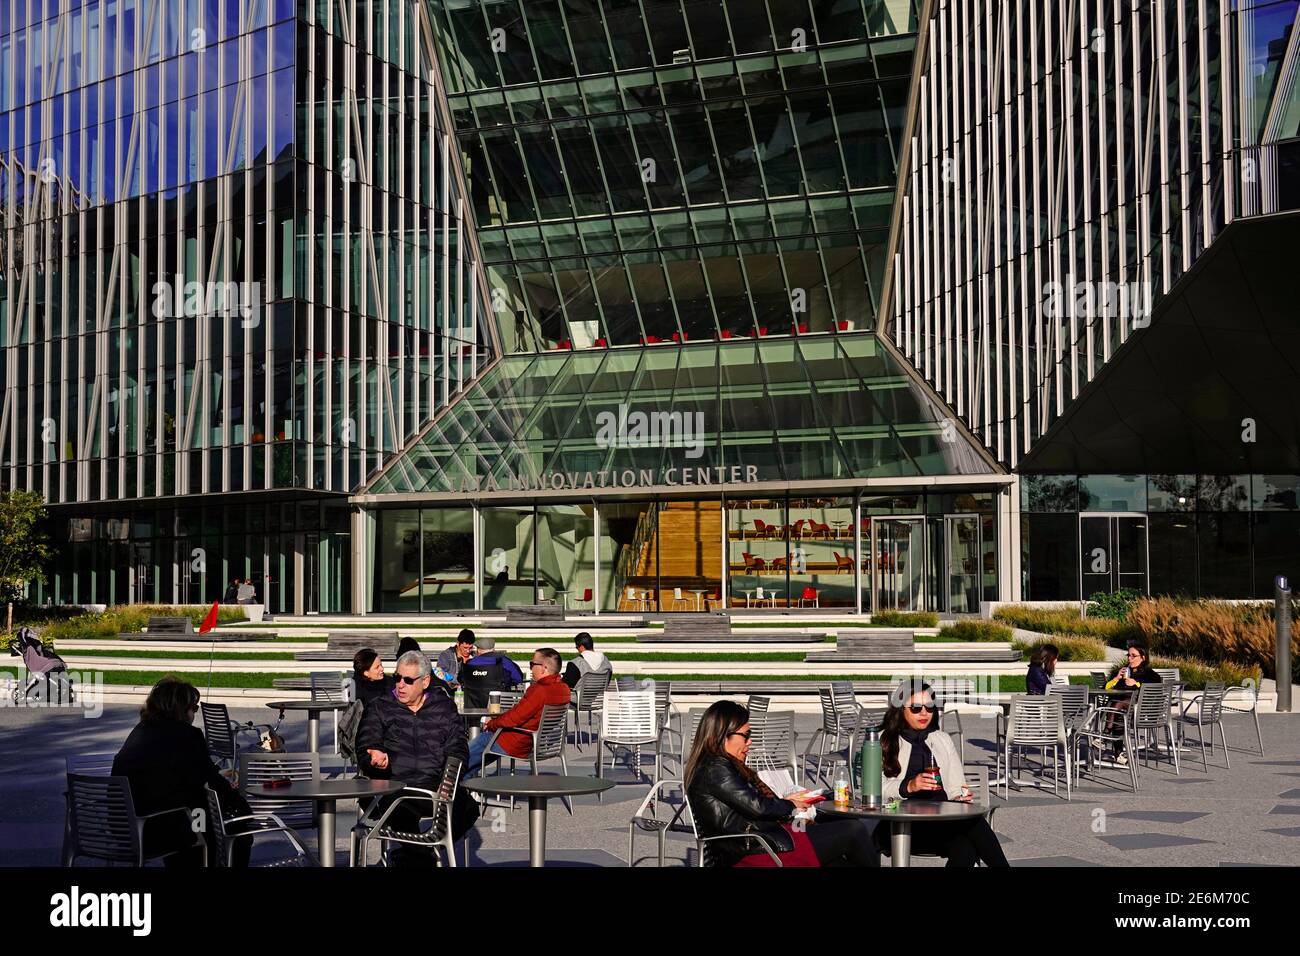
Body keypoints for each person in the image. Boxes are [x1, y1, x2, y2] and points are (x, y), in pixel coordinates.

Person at [684, 700, 879, 867]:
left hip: (758, 841)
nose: (750, 741)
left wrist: (788, 802)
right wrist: (790, 805)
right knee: (854, 830)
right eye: (746, 735)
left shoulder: (714, 765)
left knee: (839, 855)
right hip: (754, 850)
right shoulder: (715, 768)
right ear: (722, 735)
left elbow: (749, 804)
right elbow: (758, 806)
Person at [111, 677, 254, 867]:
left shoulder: (140, 731)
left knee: (196, 812)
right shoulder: (187, 734)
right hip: (164, 831)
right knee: (232, 826)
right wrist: (244, 808)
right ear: (180, 708)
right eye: (194, 708)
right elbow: (210, 780)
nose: (195, 713)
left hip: (126, 829)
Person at [355, 650, 477, 864]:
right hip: (394, 785)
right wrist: (373, 756)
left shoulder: (444, 707)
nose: (400, 685)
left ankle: (420, 854)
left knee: (468, 807)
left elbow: (458, 747)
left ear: (425, 681)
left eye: (408, 680)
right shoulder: (380, 706)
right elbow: (366, 743)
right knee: (397, 805)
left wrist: (449, 781)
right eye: (397, 678)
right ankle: (422, 858)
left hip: (434, 785)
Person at [879, 679, 1008, 867]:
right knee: (974, 826)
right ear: (900, 709)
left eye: (929, 707)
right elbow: (871, 791)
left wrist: (959, 796)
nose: (924, 713)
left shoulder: (942, 739)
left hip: (940, 822)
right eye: (916, 708)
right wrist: (908, 786)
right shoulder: (882, 741)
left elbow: (956, 785)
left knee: (966, 846)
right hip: (900, 825)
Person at [465, 648, 570, 777]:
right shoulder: (564, 689)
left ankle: (452, 782)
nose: (531, 669)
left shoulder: (540, 690)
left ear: (544, 668)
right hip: (536, 742)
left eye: (532, 664)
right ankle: (462, 784)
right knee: (473, 761)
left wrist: (492, 724)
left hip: (515, 742)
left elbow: (514, 718)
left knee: (461, 755)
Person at [1100, 644, 1163, 763]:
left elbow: (1156, 687)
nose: (1129, 658)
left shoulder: (1149, 673)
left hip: (1140, 712)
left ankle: (1105, 736)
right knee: (1119, 713)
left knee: (1118, 706)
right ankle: (1118, 753)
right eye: (1128, 655)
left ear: (1143, 657)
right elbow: (1105, 689)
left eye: (1133, 656)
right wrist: (1116, 678)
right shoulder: (1124, 671)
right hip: (1122, 711)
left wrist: (1136, 683)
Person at [458, 636, 524, 708]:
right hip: (500, 706)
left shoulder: (470, 663)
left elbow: (461, 679)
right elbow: (518, 679)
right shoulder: (504, 661)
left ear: (478, 651)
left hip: (473, 706)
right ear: (493, 649)